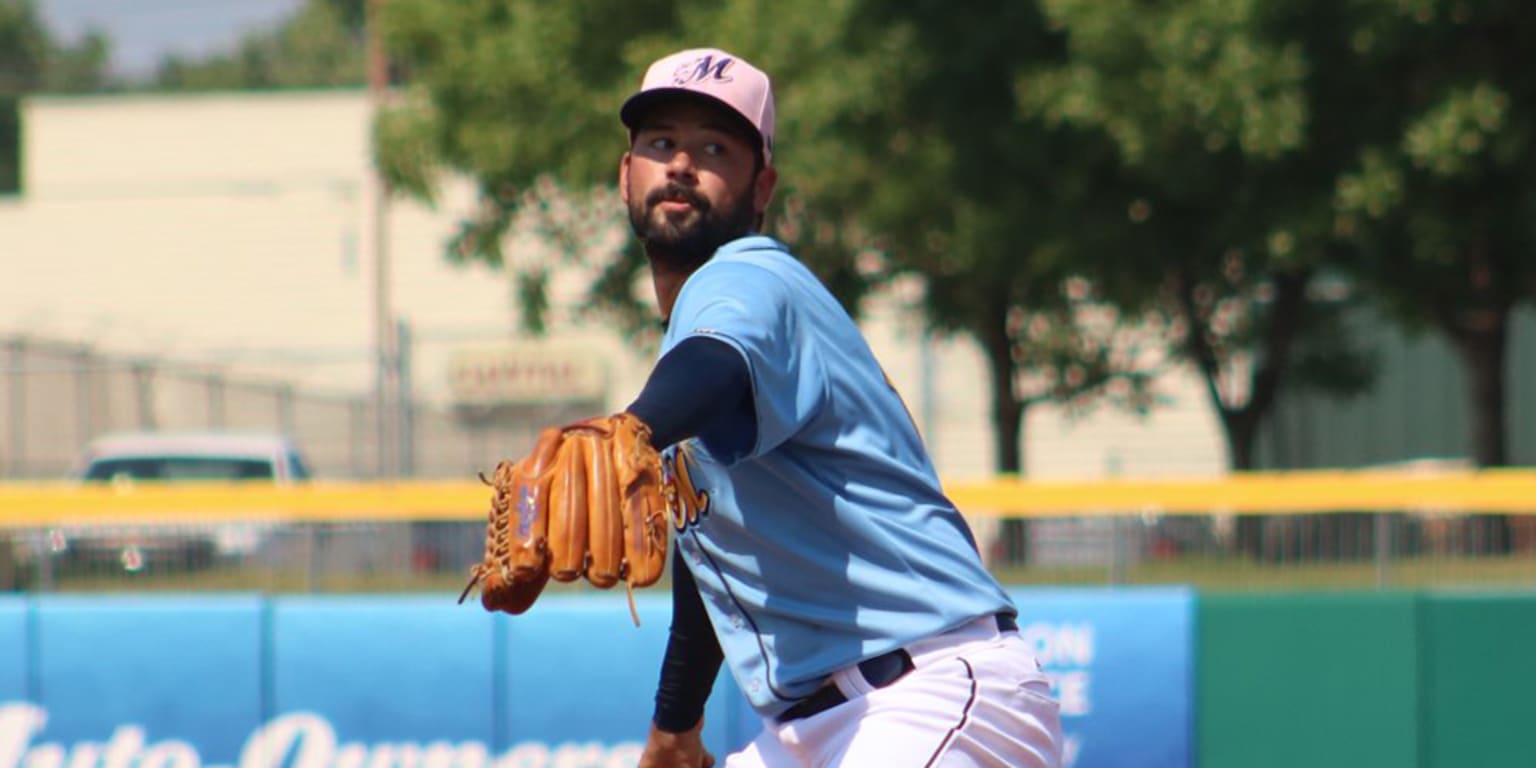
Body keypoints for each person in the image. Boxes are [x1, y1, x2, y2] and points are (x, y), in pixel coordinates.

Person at [615, 47, 1063, 767]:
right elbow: (716, 556)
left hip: (925, 692)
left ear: (762, 187)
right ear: (625, 175)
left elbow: (715, 362)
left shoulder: (747, 282)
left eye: (714, 148)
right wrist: (676, 727)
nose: (681, 164)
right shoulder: (692, 368)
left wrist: (629, 430)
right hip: (821, 727)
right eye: (661, 142)